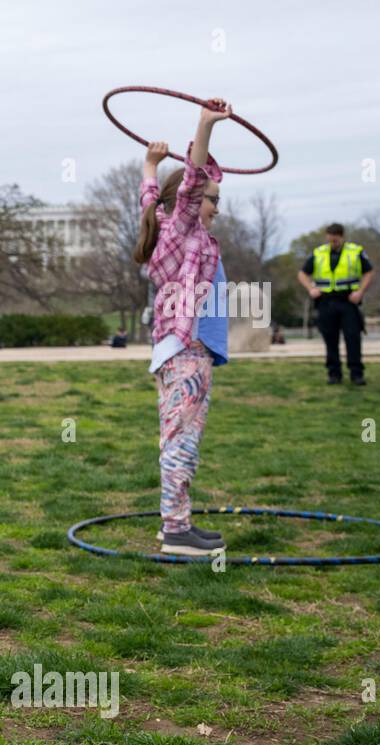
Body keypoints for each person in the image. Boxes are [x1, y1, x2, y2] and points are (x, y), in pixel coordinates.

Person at [134, 99, 233, 557]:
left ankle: (177, 522)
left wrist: (150, 166)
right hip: (186, 350)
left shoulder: (167, 228)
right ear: (189, 204)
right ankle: (176, 531)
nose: (215, 207)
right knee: (181, 442)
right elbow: (192, 186)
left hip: (181, 351)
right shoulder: (182, 232)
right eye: (214, 200)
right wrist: (204, 125)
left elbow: (152, 202)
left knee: (179, 437)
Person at [298, 223, 374, 385]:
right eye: (330, 240)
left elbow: (369, 271)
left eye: (336, 240)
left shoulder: (355, 252)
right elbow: (302, 273)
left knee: (352, 337)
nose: (333, 243)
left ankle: (356, 373)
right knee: (330, 339)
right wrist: (311, 288)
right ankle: (334, 373)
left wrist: (360, 291)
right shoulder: (319, 253)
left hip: (347, 301)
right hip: (326, 302)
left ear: (342, 237)